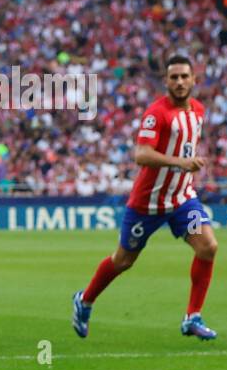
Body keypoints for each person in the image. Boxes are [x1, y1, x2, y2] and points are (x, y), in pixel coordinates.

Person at [72, 55, 218, 341]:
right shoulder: (157, 113)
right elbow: (141, 154)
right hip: (147, 204)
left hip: (181, 200)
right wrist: (179, 162)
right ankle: (85, 300)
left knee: (208, 247)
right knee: (123, 260)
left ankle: (192, 317)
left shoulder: (198, 111)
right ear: (165, 81)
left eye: (184, 77)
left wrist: (184, 169)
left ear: (193, 80)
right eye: (173, 77)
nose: (179, 82)